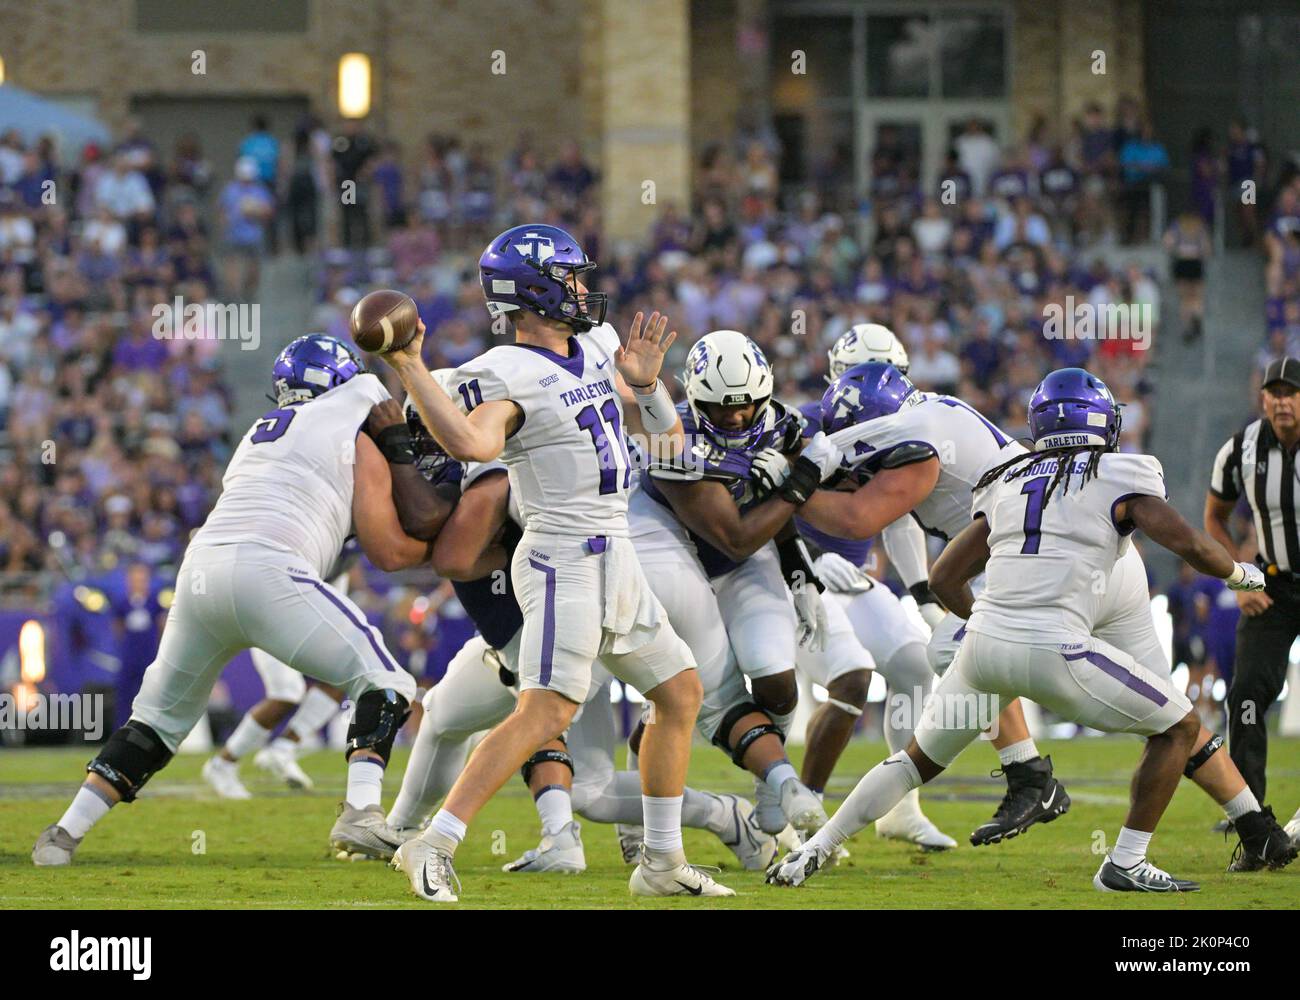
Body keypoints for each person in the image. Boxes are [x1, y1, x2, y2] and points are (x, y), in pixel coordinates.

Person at [768, 367, 1294, 893]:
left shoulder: (1008, 478)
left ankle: (813, 851)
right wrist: (1243, 573)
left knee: (912, 761)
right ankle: (1125, 860)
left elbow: (945, 575)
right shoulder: (1118, 472)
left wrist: (988, 627)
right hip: (1065, 634)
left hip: (993, 637)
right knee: (1175, 726)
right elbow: (1189, 545)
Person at [385, 223, 732, 901]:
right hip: (561, 557)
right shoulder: (505, 371)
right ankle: (433, 841)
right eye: (569, 277)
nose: (582, 287)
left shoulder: (598, 347)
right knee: (545, 713)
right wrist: (408, 366)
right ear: (535, 289)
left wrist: (649, 386)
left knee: (679, 693)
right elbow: (468, 443)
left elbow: (666, 447)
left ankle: (661, 863)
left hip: (617, 553)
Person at [32, 336, 450, 867]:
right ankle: (362, 812)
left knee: (156, 722)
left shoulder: (258, 435)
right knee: (388, 682)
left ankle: (62, 836)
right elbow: (389, 552)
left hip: (201, 569)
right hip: (271, 569)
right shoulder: (358, 416)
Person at [1206, 356, 1300, 851]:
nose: (1282, 400)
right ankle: (1250, 818)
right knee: (1244, 697)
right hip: (1275, 586)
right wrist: (1243, 580)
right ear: (1262, 398)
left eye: (1291, 392)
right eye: (1274, 392)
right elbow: (1213, 518)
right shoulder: (1241, 449)